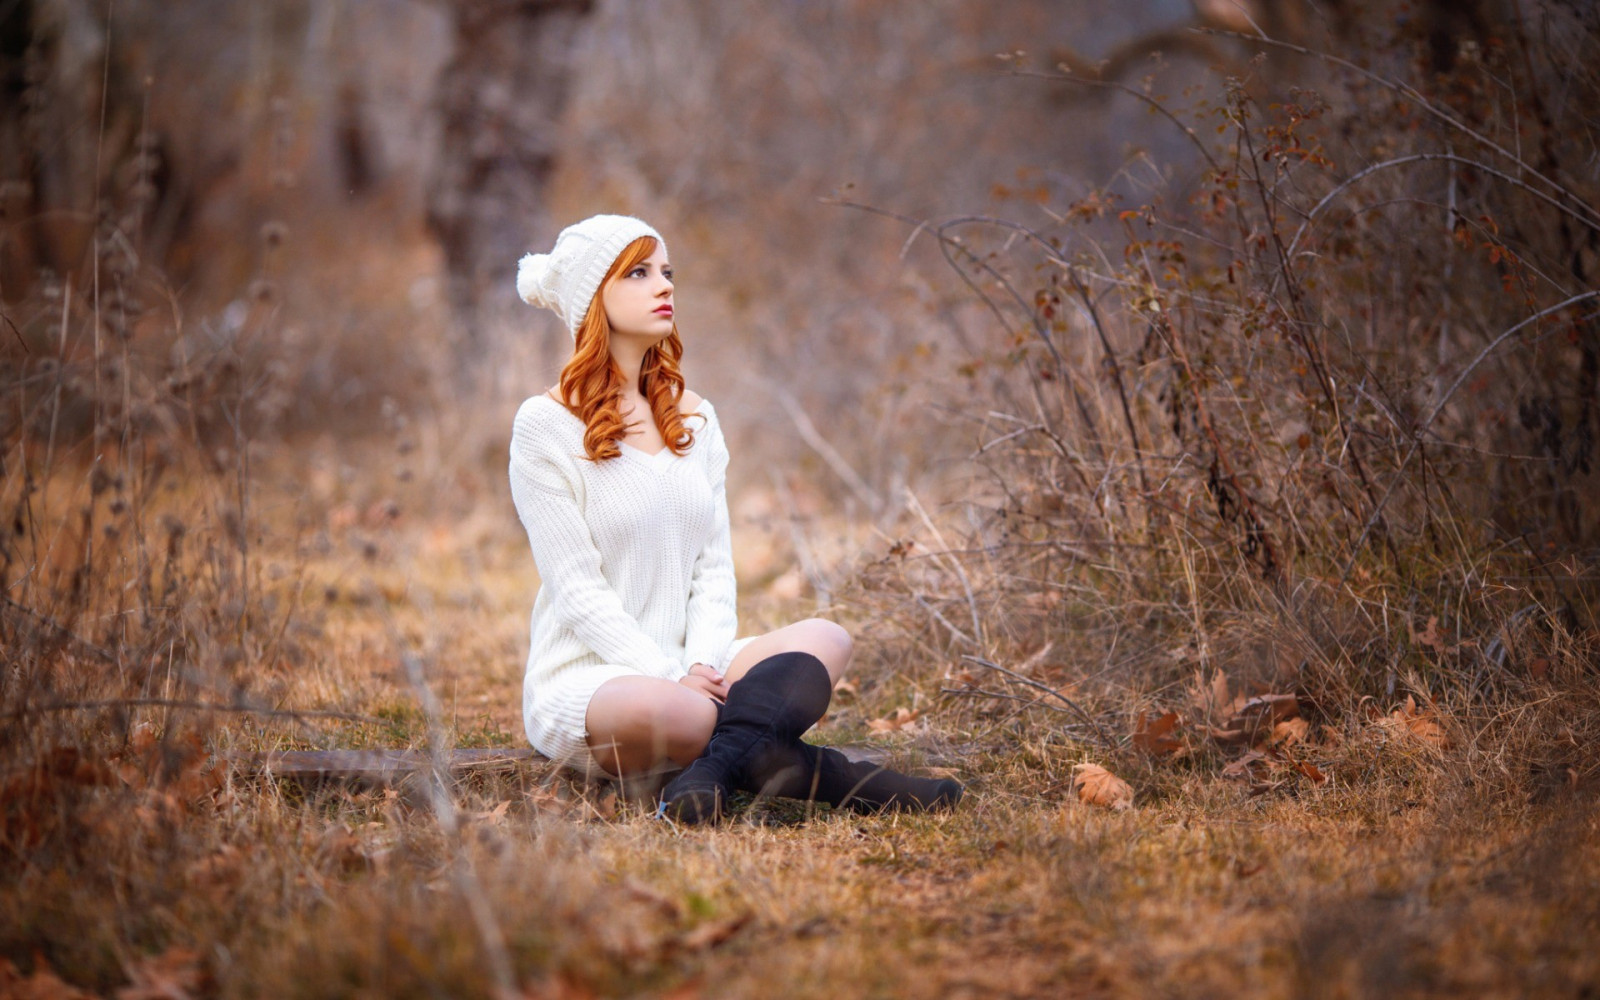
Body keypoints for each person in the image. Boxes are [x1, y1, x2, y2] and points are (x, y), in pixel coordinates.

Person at [509, 214, 963, 823]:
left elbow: (714, 569)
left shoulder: (695, 419)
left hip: (696, 661)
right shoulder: (543, 426)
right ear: (594, 296)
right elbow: (574, 588)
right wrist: (673, 676)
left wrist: (700, 663)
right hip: (596, 678)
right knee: (691, 712)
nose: (665, 286)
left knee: (827, 638)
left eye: (667, 273)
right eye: (640, 273)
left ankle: (709, 773)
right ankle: (849, 781)